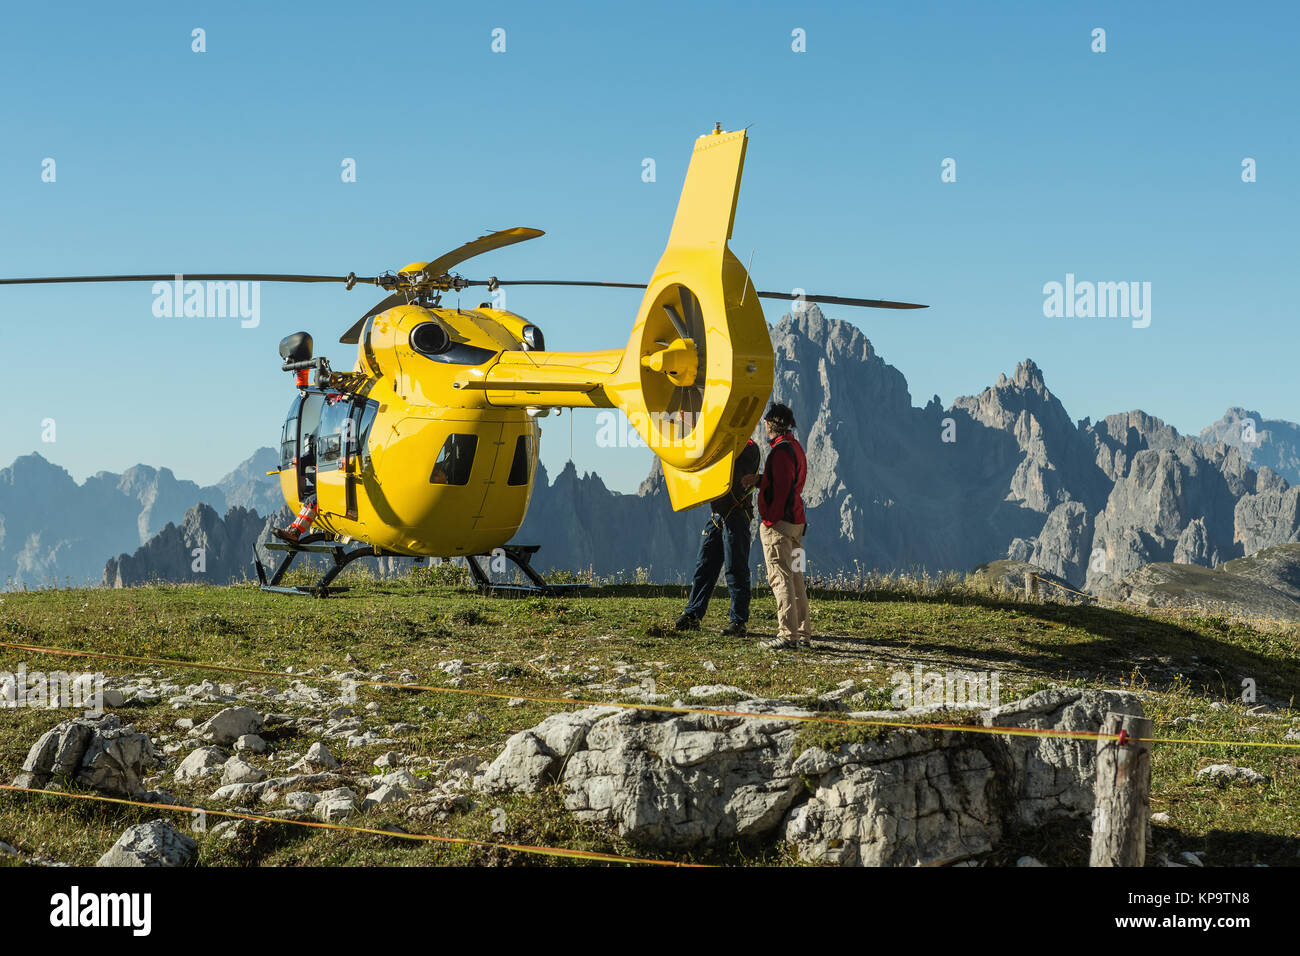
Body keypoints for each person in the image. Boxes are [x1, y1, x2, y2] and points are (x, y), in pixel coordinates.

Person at [675, 438, 761, 636]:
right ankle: (692, 614)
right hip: (718, 515)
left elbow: (739, 481)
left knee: (735, 568)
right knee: (704, 565)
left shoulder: (748, 447)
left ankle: (738, 621)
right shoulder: (718, 442)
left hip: (737, 514)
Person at [742, 403, 811, 649]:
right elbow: (789, 483)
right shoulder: (795, 448)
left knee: (780, 578)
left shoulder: (780, 452)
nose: (763, 426)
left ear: (772, 424)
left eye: (765, 423)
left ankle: (787, 635)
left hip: (779, 525)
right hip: (796, 523)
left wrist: (769, 520)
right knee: (796, 577)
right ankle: (802, 634)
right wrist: (760, 480)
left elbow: (781, 489)